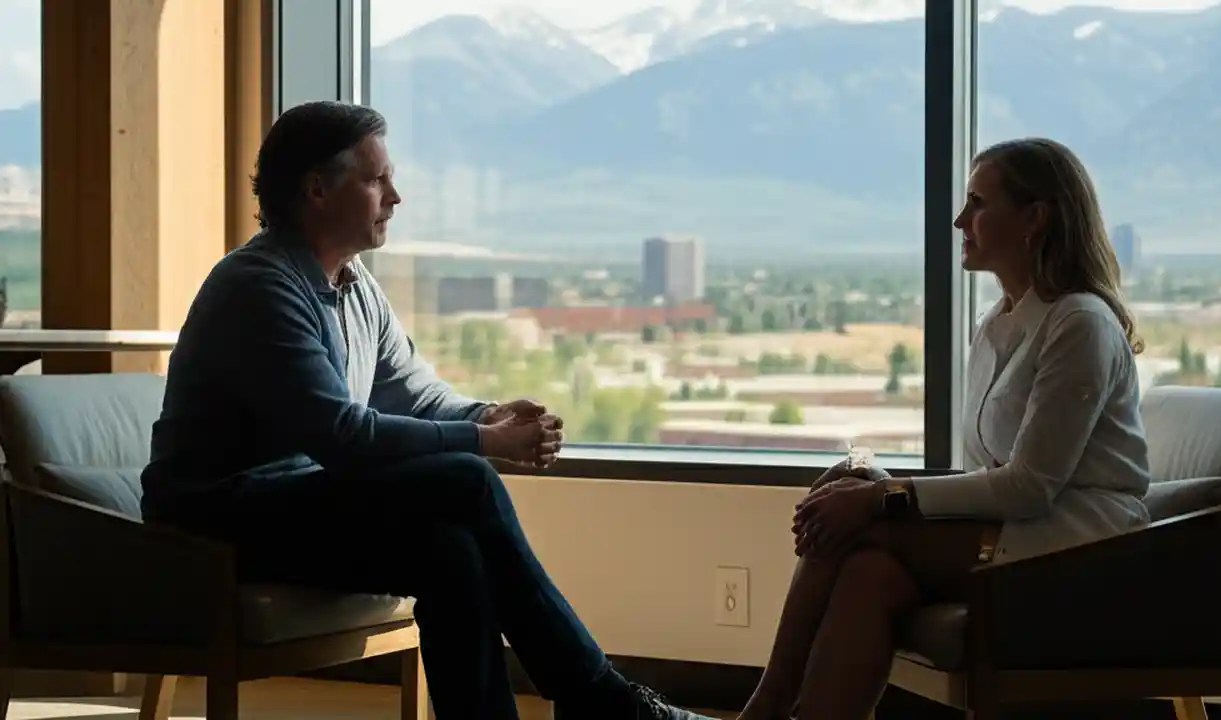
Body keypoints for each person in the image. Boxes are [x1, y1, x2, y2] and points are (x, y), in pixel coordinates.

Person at [140, 100, 713, 720]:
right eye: (375, 178)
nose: (395, 196)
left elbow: (412, 393)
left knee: (450, 551)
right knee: (466, 478)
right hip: (219, 520)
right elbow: (344, 437)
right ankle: (600, 699)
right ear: (317, 189)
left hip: (293, 502)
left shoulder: (354, 285)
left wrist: (489, 417)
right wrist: (483, 445)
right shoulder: (259, 288)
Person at [737, 137, 1152, 720]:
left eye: (978, 203)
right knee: (867, 566)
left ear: (1035, 218)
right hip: (1014, 527)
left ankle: (764, 707)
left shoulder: (1080, 324)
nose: (960, 220)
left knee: (863, 521)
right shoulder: (998, 323)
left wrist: (883, 499)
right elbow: (986, 473)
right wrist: (874, 491)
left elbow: (1030, 487)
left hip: (1075, 542)